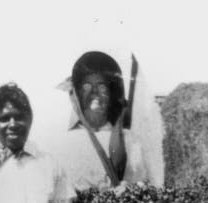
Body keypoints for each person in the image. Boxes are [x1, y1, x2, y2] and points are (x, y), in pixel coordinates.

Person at [53, 51, 156, 194]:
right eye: (87, 86)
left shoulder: (130, 141)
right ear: (77, 94)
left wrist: (129, 191)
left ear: (111, 94)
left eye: (102, 87)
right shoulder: (64, 144)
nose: (94, 92)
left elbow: (144, 185)